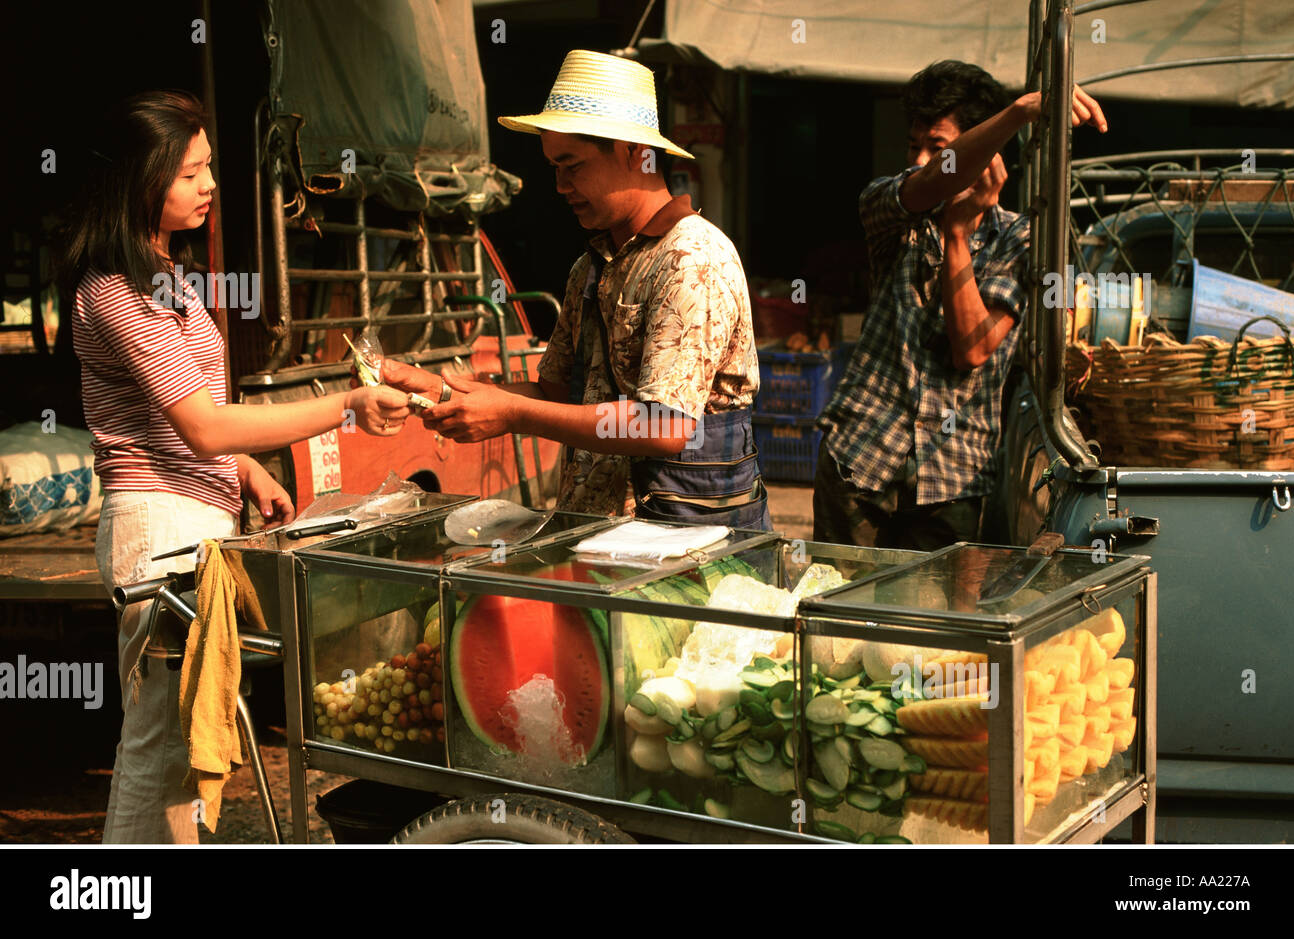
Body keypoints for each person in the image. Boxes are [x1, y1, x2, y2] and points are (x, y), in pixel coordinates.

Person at [61, 90, 408, 843]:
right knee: (157, 746)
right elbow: (204, 425)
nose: (211, 185)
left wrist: (247, 468)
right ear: (142, 181)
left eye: (209, 167)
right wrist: (344, 404)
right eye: (191, 173)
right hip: (156, 528)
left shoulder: (170, 275)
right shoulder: (115, 290)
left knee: (193, 743)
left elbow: (199, 417)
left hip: (199, 520)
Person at [382, 50, 770, 530]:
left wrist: (513, 414)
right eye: (554, 168)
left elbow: (665, 426)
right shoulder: (591, 266)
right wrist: (446, 391)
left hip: (685, 550)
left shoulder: (691, 259)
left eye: (573, 165)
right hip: (594, 540)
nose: (561, 186)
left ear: (635, 153)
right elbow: (557, 391)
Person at [814, 61, 1107, 550]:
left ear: (983, 153)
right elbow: (933, 182)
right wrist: (1019, 112)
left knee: (932, 624)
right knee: (840, 619)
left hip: (953, 482)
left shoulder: (1020, 239)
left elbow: (969, 350)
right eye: (914, 146)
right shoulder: (893, 205)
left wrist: (956, 235)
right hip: (860, 461)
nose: (920, 159)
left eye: (939, 147)